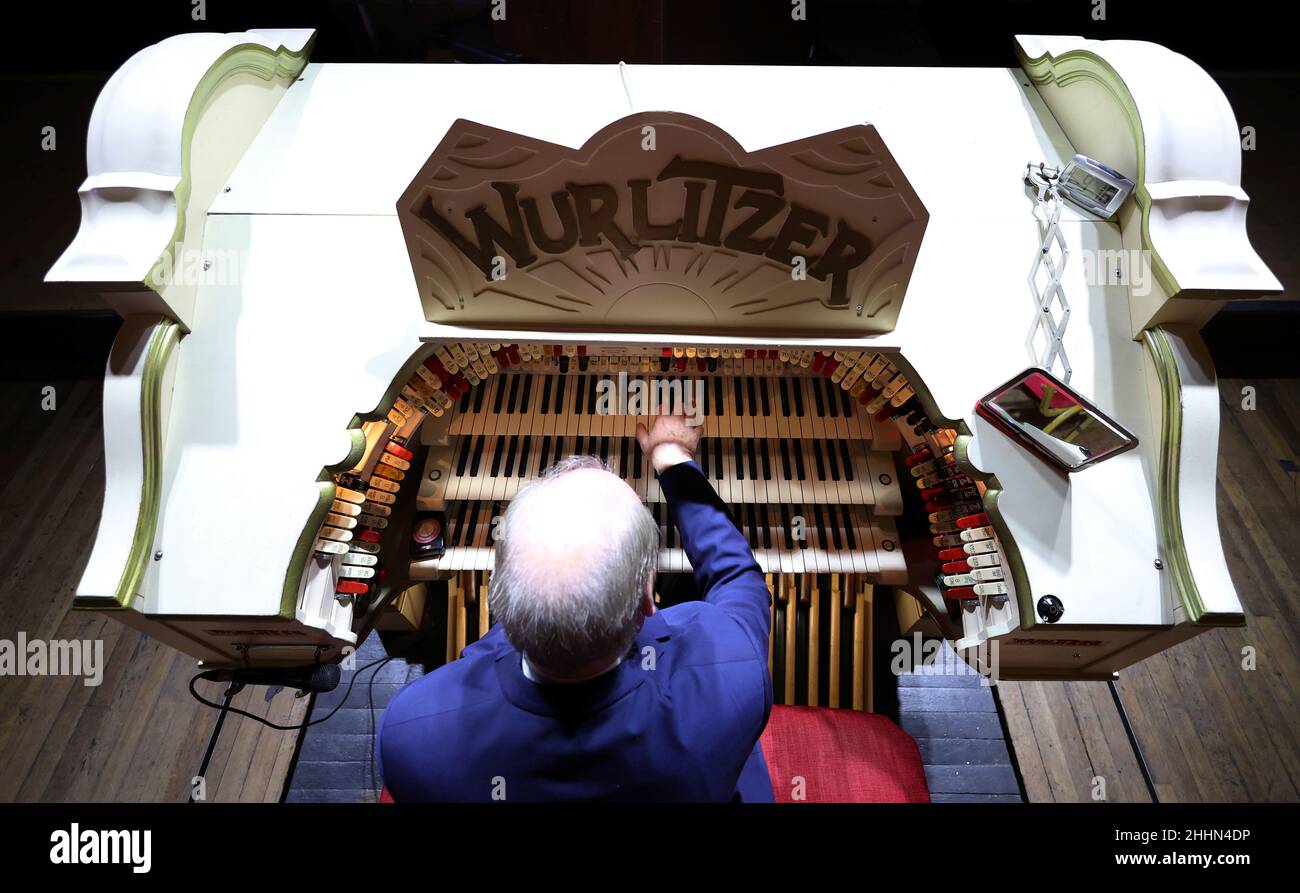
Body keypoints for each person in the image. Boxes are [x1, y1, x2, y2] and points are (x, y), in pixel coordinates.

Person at [378, 412, 774, 801]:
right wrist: (672, 459)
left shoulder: (414, 734)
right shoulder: (732, 681)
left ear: (498, 594)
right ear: (646, 602)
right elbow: (738, 581)